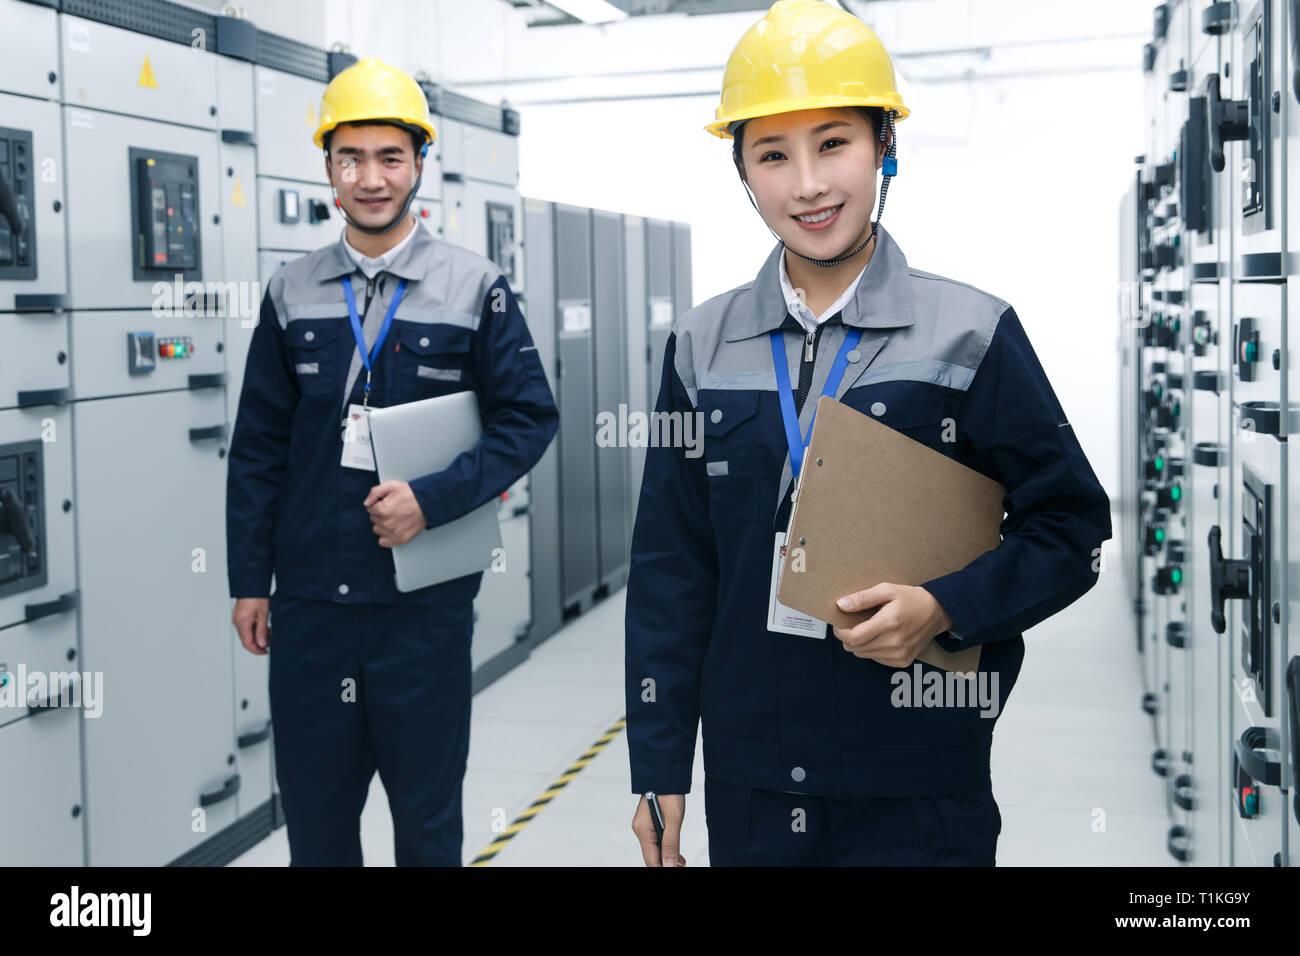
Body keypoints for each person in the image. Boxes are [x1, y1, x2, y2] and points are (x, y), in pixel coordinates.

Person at [625, 0, 1112, 866]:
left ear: (886, 146)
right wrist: (660, 760)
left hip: (919, 778)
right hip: (755, 780)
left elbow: (1070, 532)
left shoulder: (971, 333)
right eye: (773, 154)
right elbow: (672, 566)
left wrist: (946, 608)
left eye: (834, 143)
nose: (807, 184)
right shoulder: (699, 346)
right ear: (742, 170)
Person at [226, 58, 558, 866]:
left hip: (423, 613)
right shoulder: (290, 290)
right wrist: (248, 579)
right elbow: (258, 446)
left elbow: (530, 418)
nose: (371, 178)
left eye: (389, 157)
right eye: (351, 158)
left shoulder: (475, 287)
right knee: (318, 826)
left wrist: (434, 501)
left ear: (418, 163)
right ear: (328, 168)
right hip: (310, 610)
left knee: (427, 823)